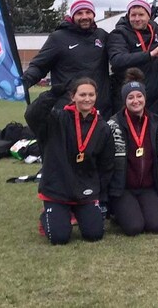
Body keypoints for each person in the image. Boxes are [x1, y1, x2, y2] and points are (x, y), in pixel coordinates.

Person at [25, 77, 114, 245]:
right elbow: (32, 115)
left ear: (96, 96)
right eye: (82, 95)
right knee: (60, 238)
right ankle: (48, 214)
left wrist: (99, 193)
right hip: (57, 189)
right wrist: (51, 94)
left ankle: (76, 213)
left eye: (91, 94)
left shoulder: (102, 127)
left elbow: (106, 164)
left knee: (94, 234)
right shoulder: (57, 119)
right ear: (73, 97)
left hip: (85, 191)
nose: (87, 99)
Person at [21, 0, 113, 113]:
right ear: (72, 15)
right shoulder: (58, 38)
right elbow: (39, 66)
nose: (84, 16)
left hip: (99, 110)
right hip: (67, 110)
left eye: (88, 12)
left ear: (93, 14)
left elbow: (119, 58)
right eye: (79, 13)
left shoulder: (102, 36)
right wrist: (24, 82)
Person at [106, 68, 158, 236]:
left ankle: (141, 208)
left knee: (156, 226)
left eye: (139, 96)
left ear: (145, 98)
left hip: (149, 187)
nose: (136, 101)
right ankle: (118, 211)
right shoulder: (113, 125)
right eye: (130, 97)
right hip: (123, 188)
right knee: (134, 228)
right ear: (124, 100)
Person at [108, 0, 158, 114]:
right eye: (133, 15)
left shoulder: (154, 28)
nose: (137, 19)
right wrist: (149, 55)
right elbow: (117, 60)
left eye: (141, 14)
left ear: (149, 15)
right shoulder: (119, 34)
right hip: (131, 100)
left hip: (155, 99)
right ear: (128, 15)